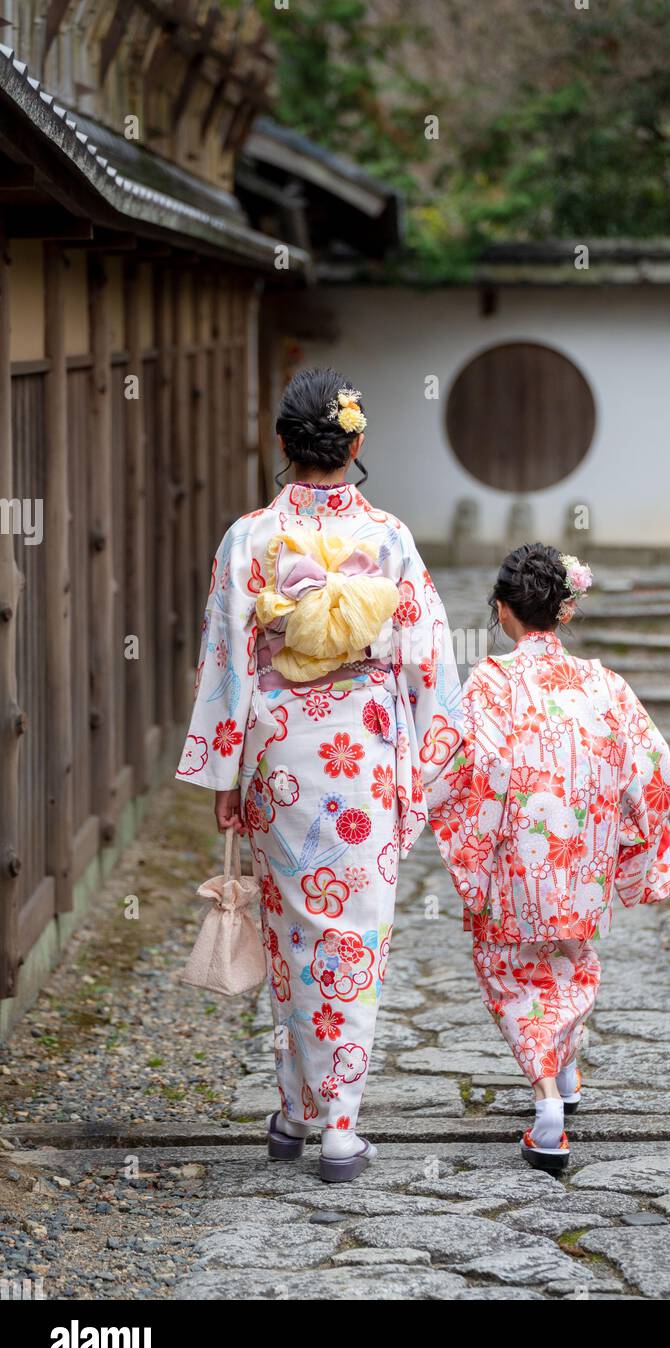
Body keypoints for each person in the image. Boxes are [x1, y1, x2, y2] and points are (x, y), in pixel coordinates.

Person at [177, 367, 462, 1182]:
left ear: (282, 447)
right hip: (361, 750)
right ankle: (339, 1125)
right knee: (352, 935)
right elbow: (425, 657)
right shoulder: (390, 538)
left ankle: (297, 1109)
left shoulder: (249, 539)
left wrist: (226, 774)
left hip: (276, 756)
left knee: (292, 927)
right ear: (357, 445)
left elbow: (227, 663)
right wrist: (427, 761)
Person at [429, 544, 670, 1173]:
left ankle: (546, 1113)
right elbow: (653, 765)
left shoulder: (491, 682)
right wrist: (632, 840)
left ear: (504, 612)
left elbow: (464, 771)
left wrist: (470, 847)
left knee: (513, 972)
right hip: (583, 860)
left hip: (516, 861)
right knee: (571, 956)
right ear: (564, 611)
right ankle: (566, 1073)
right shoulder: (605, 683)